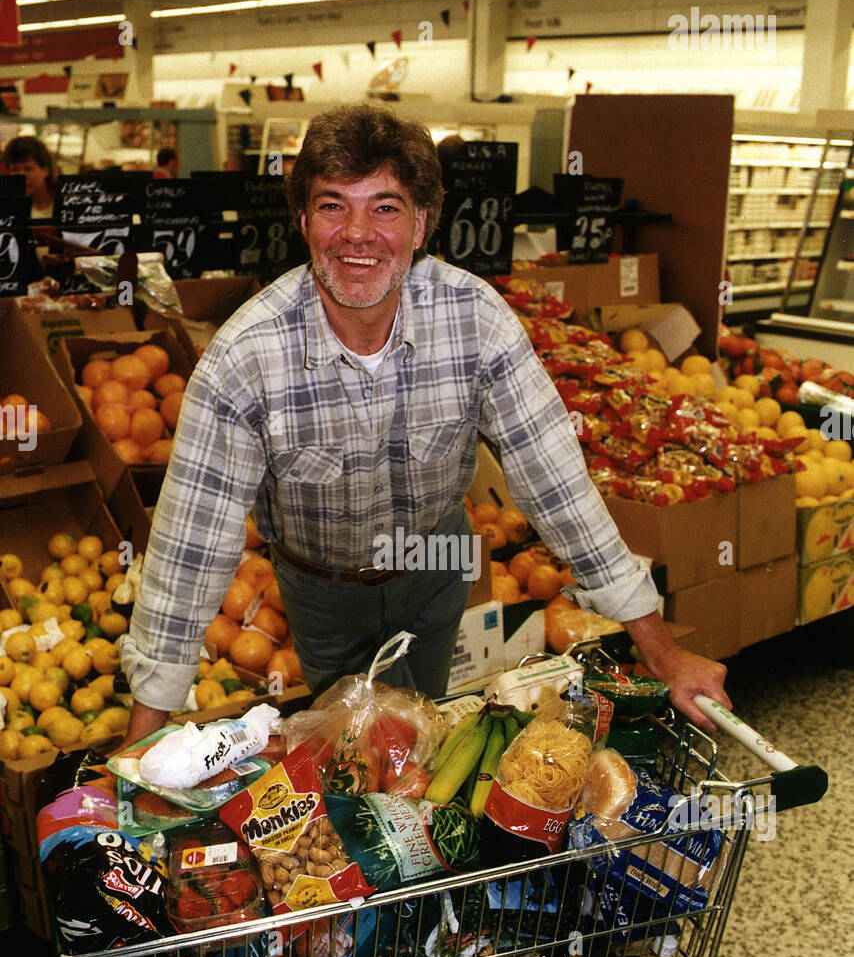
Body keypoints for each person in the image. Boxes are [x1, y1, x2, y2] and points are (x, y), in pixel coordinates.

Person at [120, 102, 730, 747]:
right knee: (352, 753)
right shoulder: (246, 357)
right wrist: (138, 745)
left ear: (421, 224)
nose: (358, 232)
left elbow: (558, 485)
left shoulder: (475, 319)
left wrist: (660, 650)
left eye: (385, 207)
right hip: (321, 589)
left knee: (426, 736)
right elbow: (193, 545)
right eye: (333, 205)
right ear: (303, 222)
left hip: (437, 564)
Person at [2, 135, 57, 218]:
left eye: (28, 169)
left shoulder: (67, 203)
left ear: (46, 170)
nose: (21, 176)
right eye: (15, 170)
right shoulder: (8, 208)